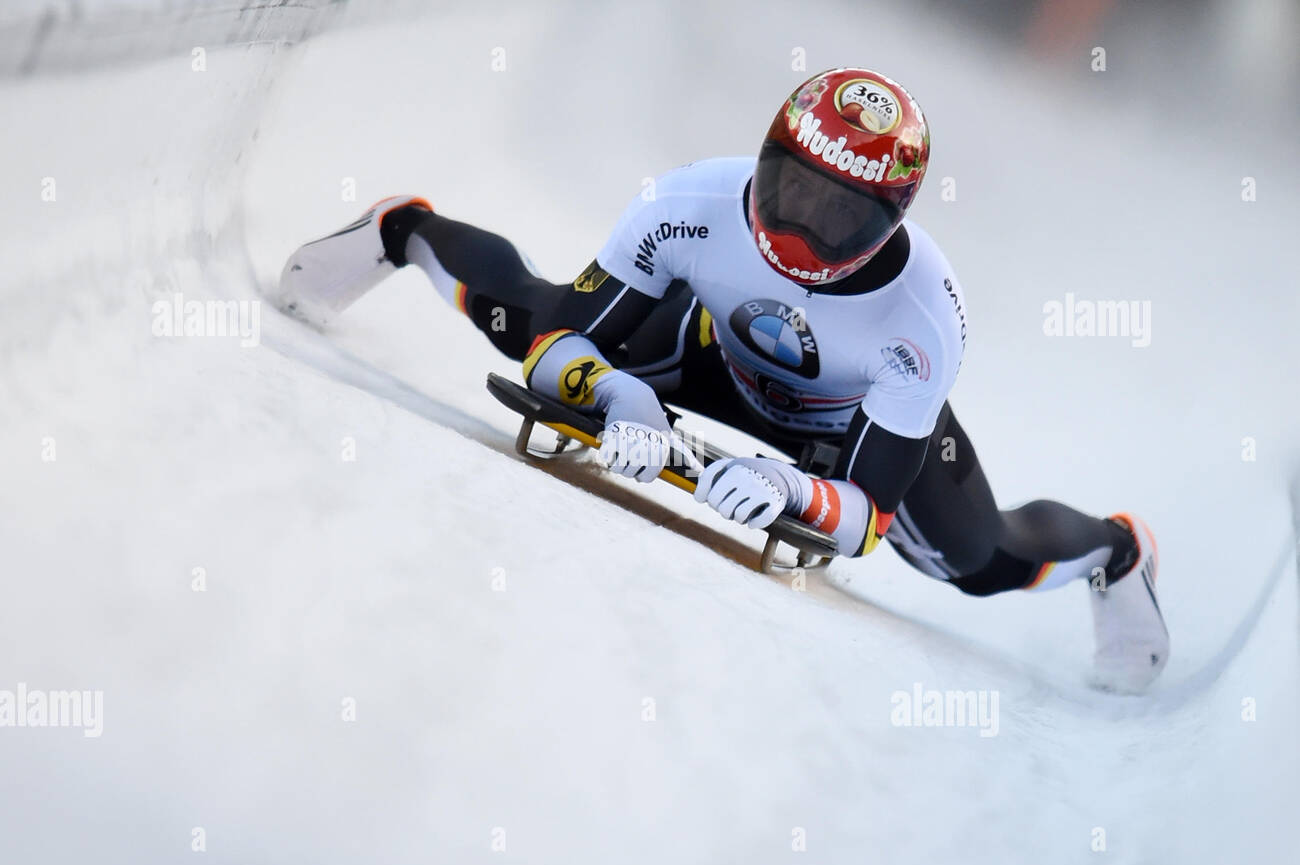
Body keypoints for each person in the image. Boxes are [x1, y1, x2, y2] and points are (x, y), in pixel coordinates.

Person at [280, 68, 1169, 693]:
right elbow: (559, 344)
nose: (802, 228)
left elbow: (865, 515)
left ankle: (1118, 550)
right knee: (526, 316)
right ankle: (403, 230)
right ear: (765, 156)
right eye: (789, 188)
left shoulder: (926, 315)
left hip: (846, 424)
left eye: (840, 215)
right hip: (710, 357)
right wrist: (614, 394)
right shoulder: (685, 204)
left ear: (889, 221)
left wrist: (791, 488)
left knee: (979, 560)